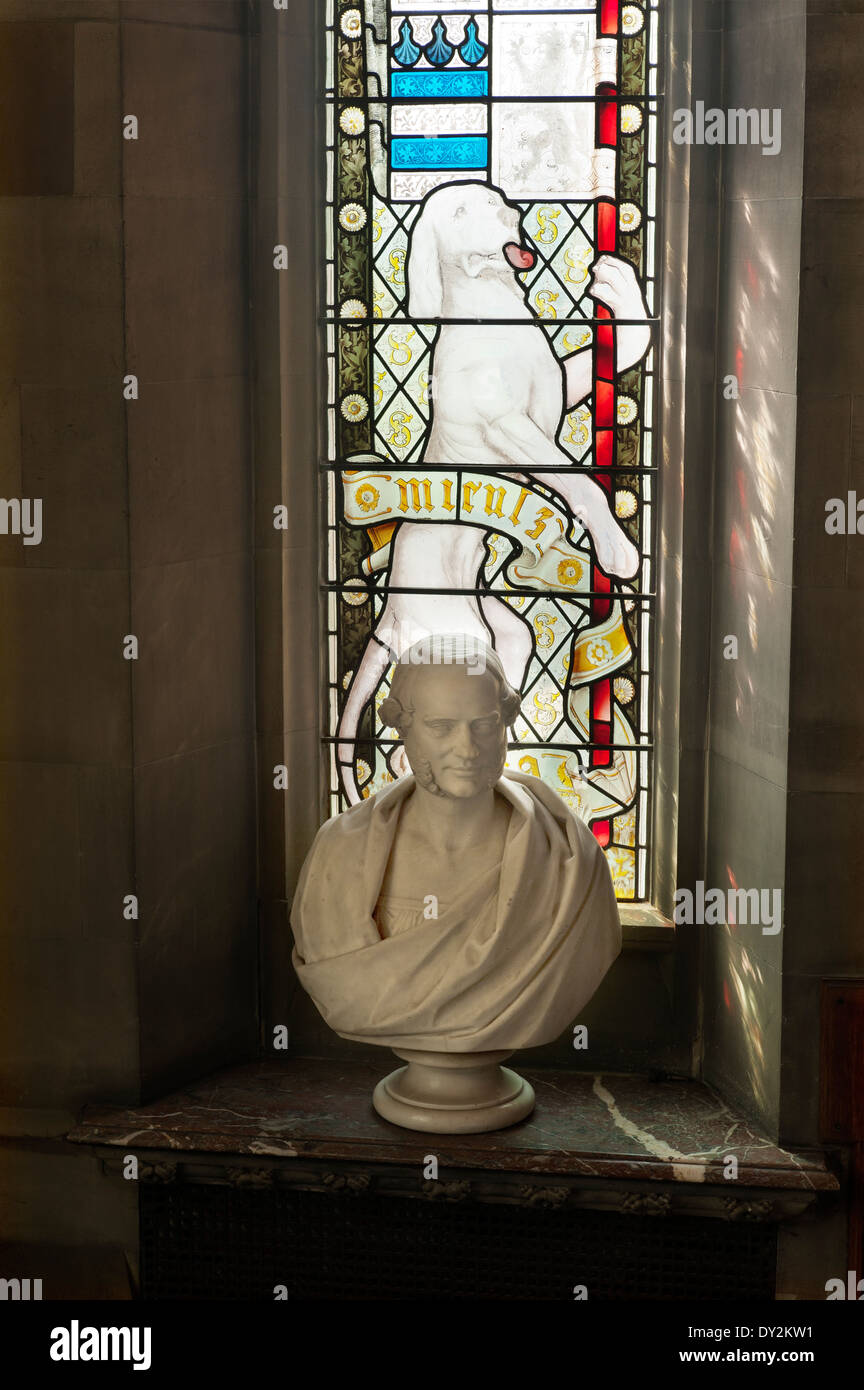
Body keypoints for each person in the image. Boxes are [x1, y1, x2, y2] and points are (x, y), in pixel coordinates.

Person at [291, 635, 621, 1053]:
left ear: (505, 721)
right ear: (402, 727)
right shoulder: (337, 854)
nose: (467, 749)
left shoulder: (569, 859)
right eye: (442, 727)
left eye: (483, 725)